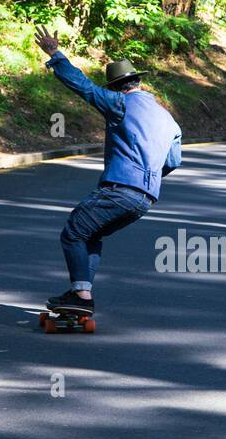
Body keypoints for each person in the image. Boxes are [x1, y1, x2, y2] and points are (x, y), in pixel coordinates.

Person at [33, 25, 182, 317]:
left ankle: (82, 296)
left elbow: (85, 88)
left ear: (116, 87)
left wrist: (55, 54)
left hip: (119, 190)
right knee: (90, 235)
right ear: (138, 82)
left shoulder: (120, 103)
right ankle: (79, 292)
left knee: (74, 232)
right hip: (145, 200)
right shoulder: (169, 120)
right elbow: (173, 162)